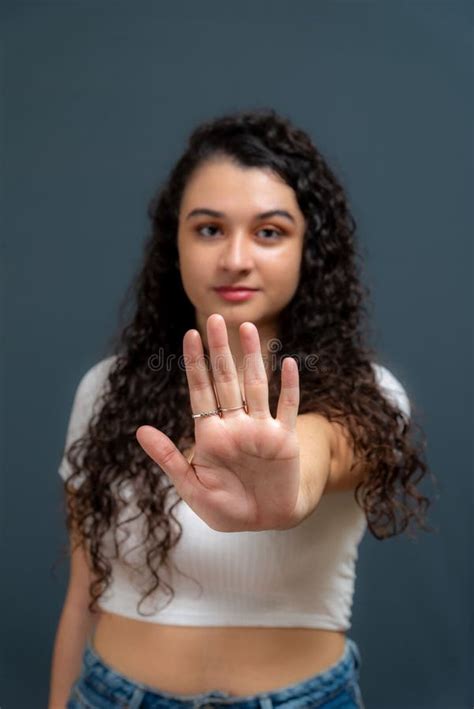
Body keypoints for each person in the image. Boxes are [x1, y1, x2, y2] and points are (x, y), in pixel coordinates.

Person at [48, 108, 432, 709]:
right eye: (208, 229)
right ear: (173, 244)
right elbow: (82, 595)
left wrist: (285, 485)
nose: (235, 258)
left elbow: (320, 448)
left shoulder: (371, 395)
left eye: (270, 232)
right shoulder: (106, 391)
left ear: (311, 249)